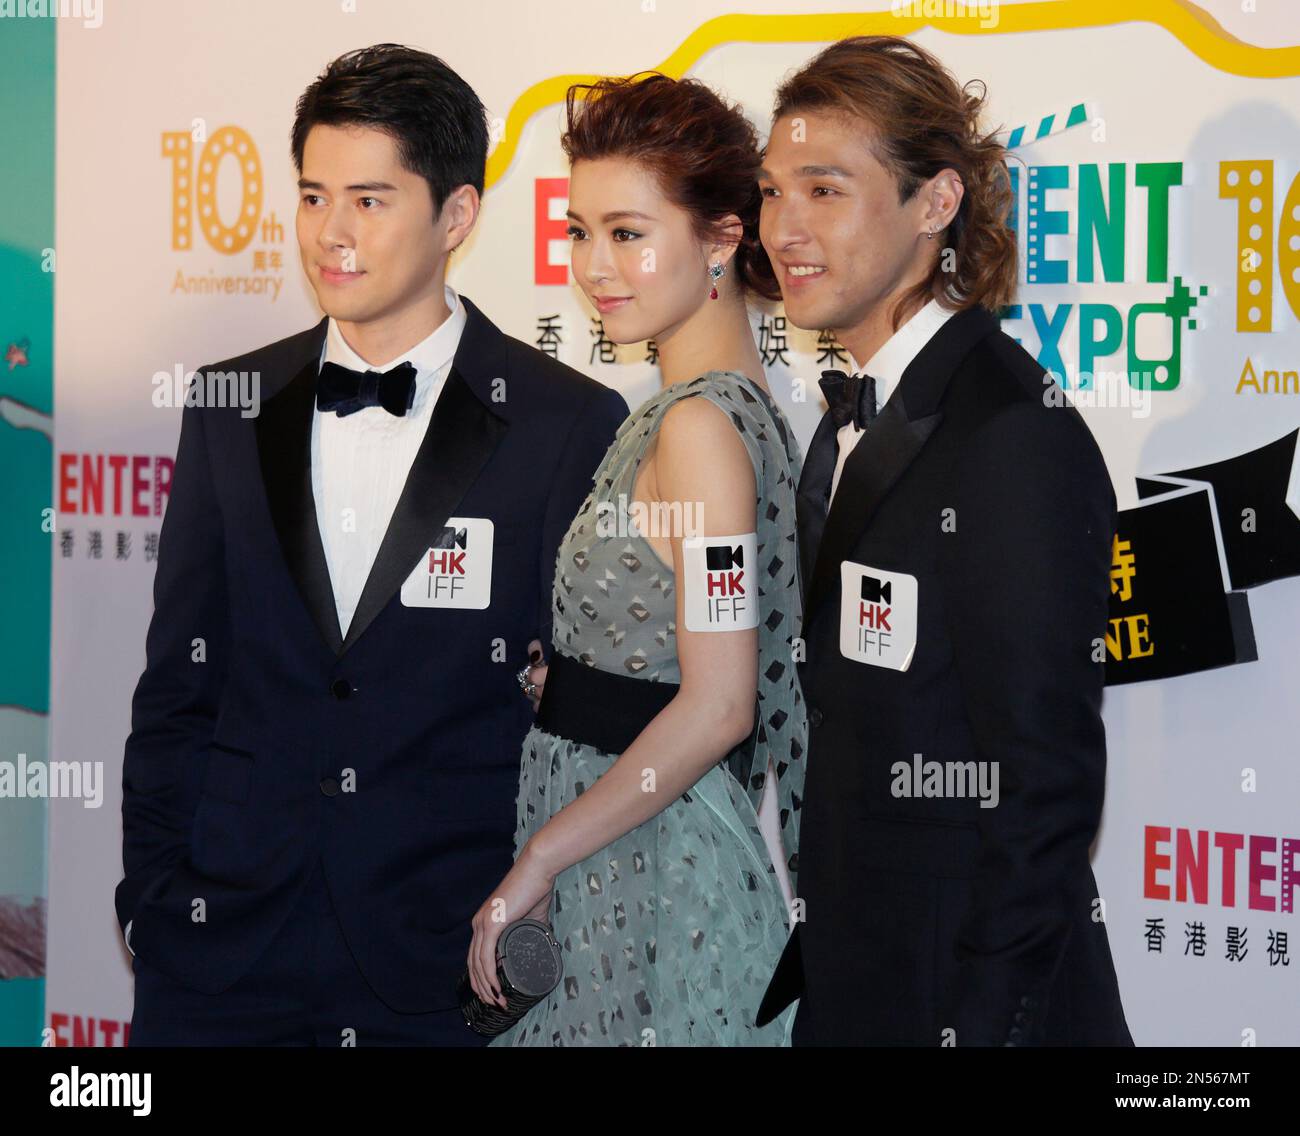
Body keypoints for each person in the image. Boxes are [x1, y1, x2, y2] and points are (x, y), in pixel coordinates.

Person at [116, 44, 627, 1046]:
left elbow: (577, 712)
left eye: (368, 200)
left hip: (440, 966)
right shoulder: (229, 402)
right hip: (219, 954)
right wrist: (152, 902)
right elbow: (178, 685)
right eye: (311, 196)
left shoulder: (567, 422)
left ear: (458, 215)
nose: (330, 235)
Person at [753, 35, 1134, 1046]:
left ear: (935, 204)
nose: (783, 227)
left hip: (961, 996)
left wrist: (982, 1024)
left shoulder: (1012, 432)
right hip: (858, 973)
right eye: (771, 191)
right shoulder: (846, 418)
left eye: (824, 190)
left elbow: (1043, 781)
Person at [469, 72, 807, 1047]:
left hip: (651, 866)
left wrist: (540, 855)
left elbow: (718, 703)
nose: (593, 265)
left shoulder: (700, 425)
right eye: (579, 231)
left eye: (628, 232)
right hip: (627, 845)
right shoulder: (702, 408)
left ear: (719, 237)